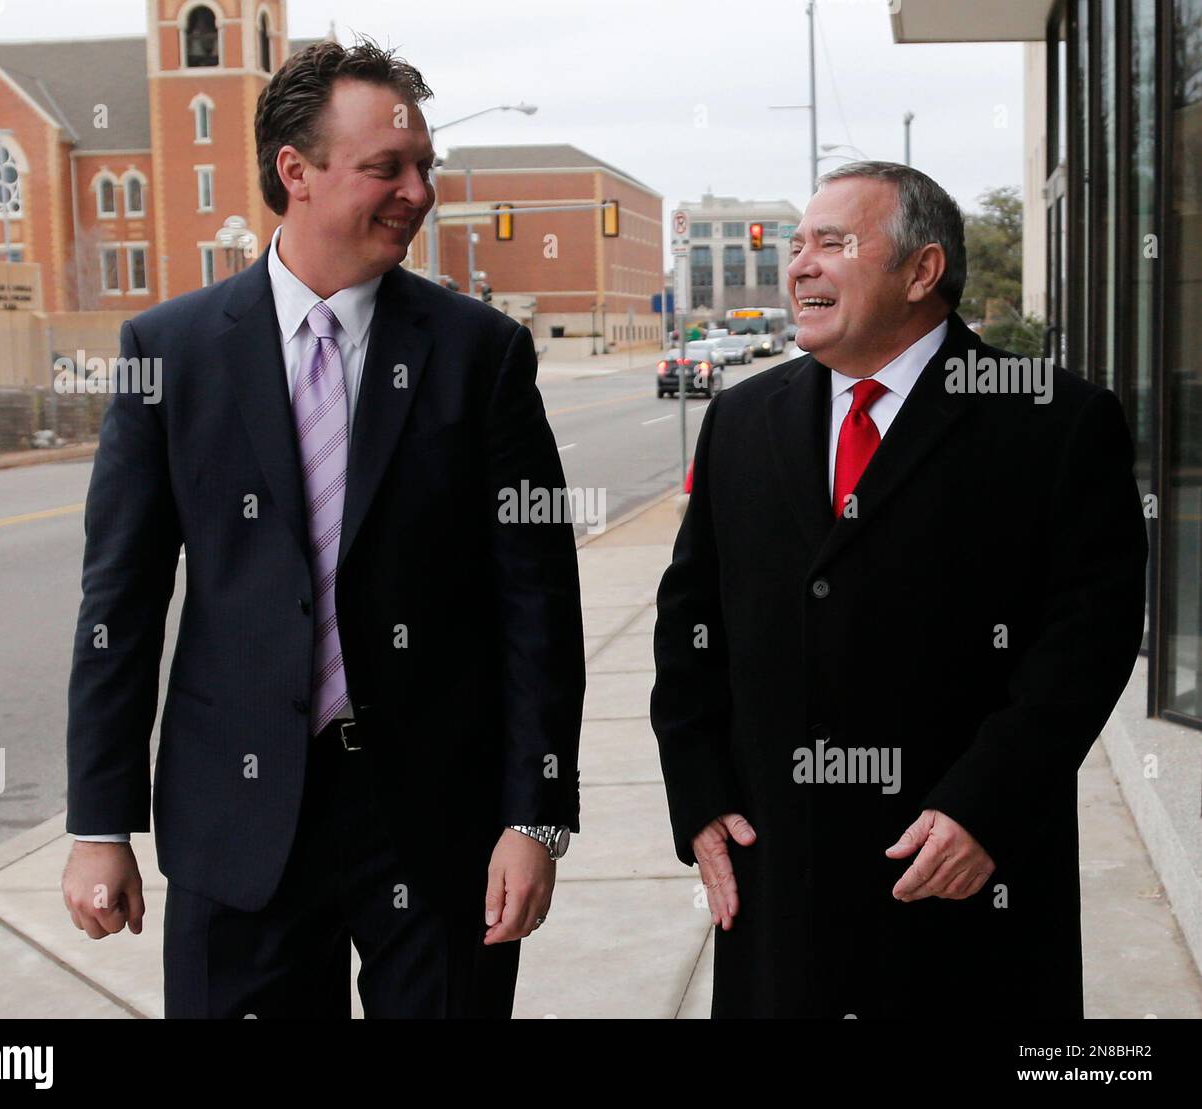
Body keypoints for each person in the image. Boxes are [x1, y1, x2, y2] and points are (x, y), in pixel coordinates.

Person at [61, 39, 584, 1019]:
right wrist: (99, 821)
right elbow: (118, 603)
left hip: (441, 821)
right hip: (237, 817)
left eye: (424, 165)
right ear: (294, 172)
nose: (419, 191)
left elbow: (537, 602)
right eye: (387, 167)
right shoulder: (164, 352)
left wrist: (535, 812)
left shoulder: (483, 355)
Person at [651, 161, 1147, 1018]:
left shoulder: (1054, 422)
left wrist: (986, 809)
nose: (800, 264)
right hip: (781, 893)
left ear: (923, 271)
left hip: (956, 889)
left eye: (834, 243)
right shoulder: (742, 419)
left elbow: (1086, 642)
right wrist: (699, 797)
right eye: (797, 244)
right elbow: (691, 620)